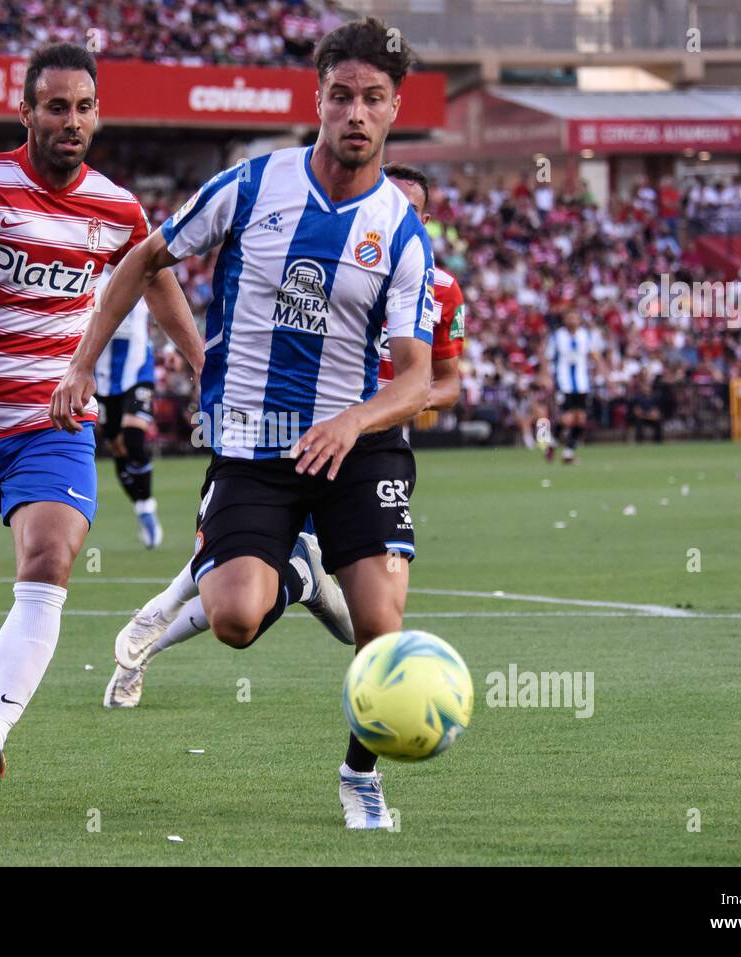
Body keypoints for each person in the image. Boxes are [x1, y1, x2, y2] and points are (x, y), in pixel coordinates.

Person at [52, 18, 435, 829]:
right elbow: (143, 258)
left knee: (379, 626)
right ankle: (292, 568)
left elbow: (418, 378)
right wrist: (83, 361)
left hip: (356, 448)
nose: (355, 114)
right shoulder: (253, 185)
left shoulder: (401, 232)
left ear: (394, 108)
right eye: (341, 97)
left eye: (373, 99)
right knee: (232, 619)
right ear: (318, 100)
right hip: (252, 449)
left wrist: (352, 422)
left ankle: (360, 776)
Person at [0, 43, 204, 810]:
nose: (71, 121)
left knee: (53, 557)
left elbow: (153, 275)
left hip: (50, 417)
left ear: (98, 115)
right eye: (55, 106)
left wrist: (200, 359)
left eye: (84, 107)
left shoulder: (117, 208)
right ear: (24, 112)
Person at [98, 164, 464, 717]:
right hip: (287, 437)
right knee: (239, 602)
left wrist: (390, 402)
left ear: (424, 220)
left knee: (356, 628)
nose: (397, 217)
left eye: (412, 212)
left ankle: (265, 592)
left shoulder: (437, 287)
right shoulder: (330, 253)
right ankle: (152, 640)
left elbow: (447, 385)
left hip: (367, 450)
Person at [92, 278, 163, 548]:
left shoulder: (145, 271)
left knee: (133, 439)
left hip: (138, 371)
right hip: (103, 377)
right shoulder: (95, 277)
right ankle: (141, 504)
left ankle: (146, 506)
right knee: (118, 447)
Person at [543, 309, 598, 464]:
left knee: (580, 419)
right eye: (570, 317)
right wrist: (545, 376)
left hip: (582, 383)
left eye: (575, 317)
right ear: (565, 319)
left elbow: (594, 355)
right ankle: (553, 442)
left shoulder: (585, 335)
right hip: (564, 382)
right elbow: (547, 358)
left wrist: (606, 374)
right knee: (567, 418)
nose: (572, 320)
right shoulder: (557, 336)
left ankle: (568, 453)